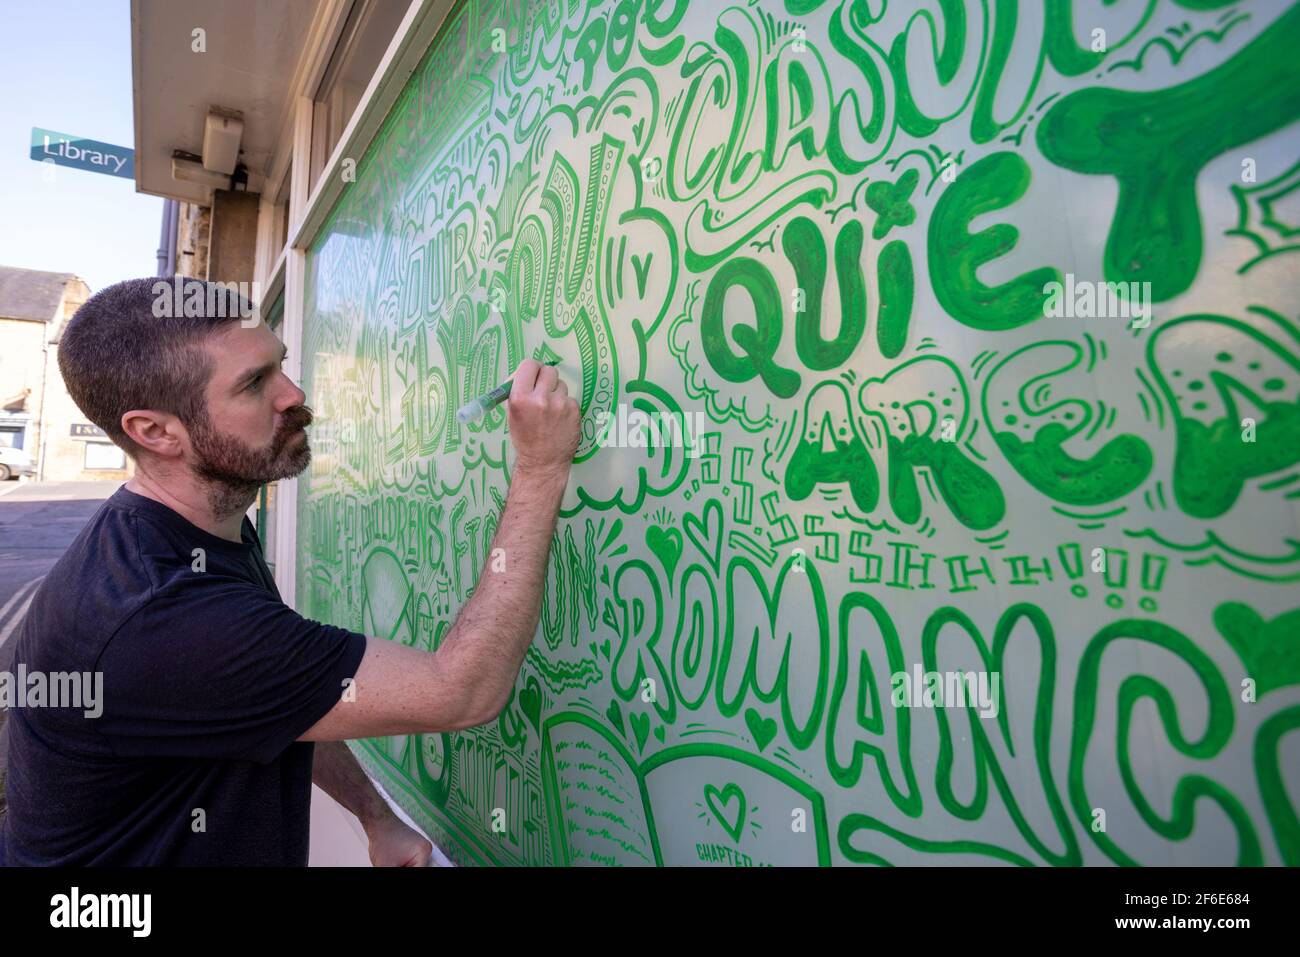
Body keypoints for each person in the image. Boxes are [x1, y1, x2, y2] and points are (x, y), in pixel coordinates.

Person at [0, 277, 579, 866]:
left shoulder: (204, 529)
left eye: (279, 365)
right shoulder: (165, 616)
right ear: (155, 432)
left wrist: (375, 816)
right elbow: (463, 692)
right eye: (255, 384)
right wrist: (541, 465)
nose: (294, 394)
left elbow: (287, 703)